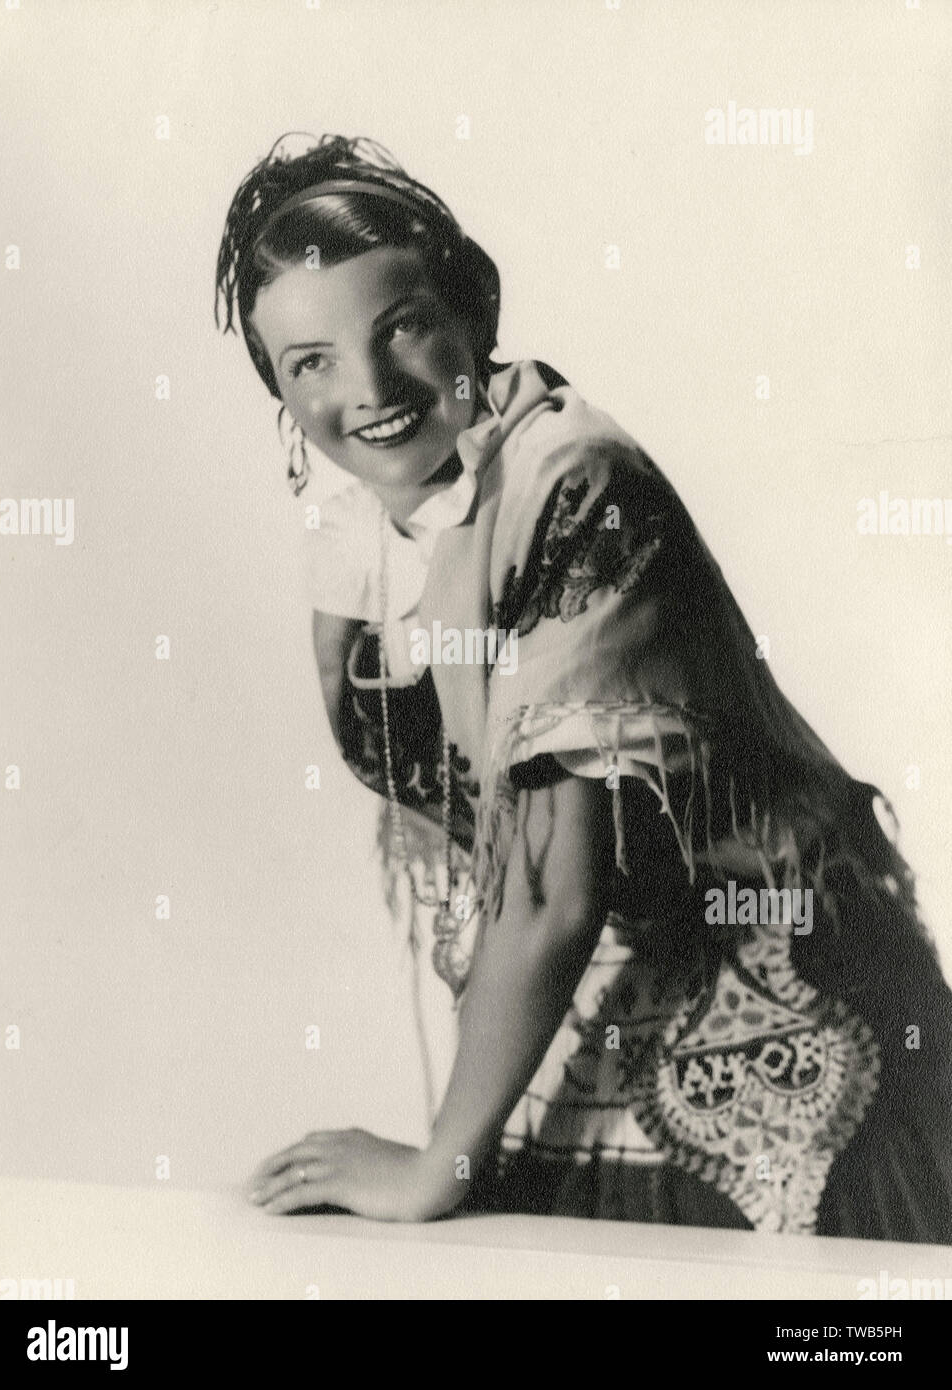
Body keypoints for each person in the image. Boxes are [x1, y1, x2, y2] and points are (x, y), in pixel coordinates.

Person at [216, 132, 952, 1240]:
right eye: (310, 362)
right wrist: (346, 585)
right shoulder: (377, 518)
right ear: (278, 390)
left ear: (474, 315)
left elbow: (557, 888)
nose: (365, 389)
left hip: (783, 1042)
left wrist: (432, 1168)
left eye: (402, 325)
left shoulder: (572, 479)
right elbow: (439, 789)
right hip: (593, 1045)